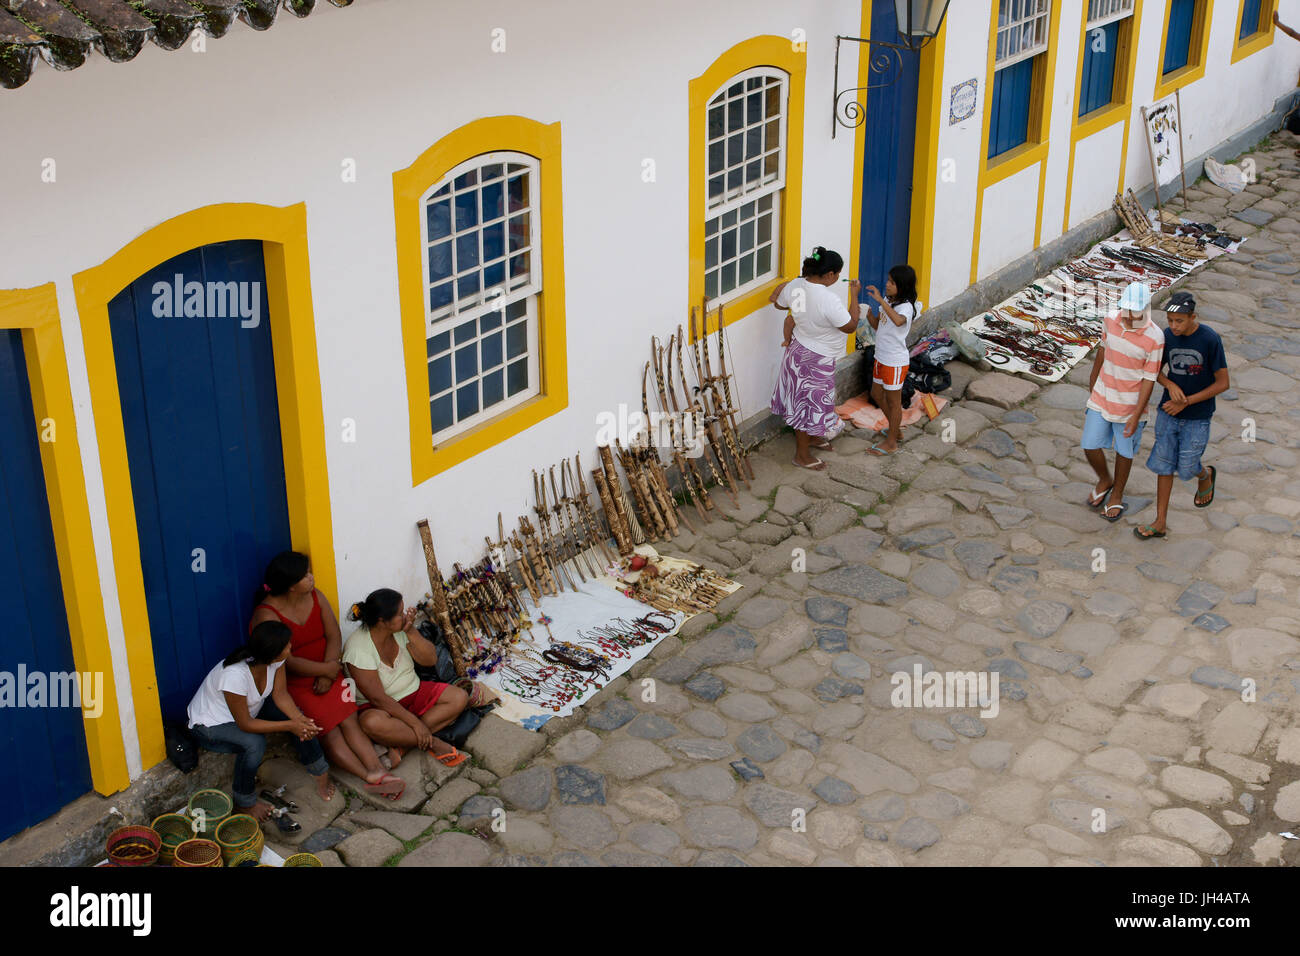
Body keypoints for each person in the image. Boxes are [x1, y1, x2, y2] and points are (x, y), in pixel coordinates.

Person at [249, 551, 405, 799]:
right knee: (330, 731)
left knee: (349, 720)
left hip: (329, 670)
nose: (311, 578)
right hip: (296, 683)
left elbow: (333, 635)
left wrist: (330, 669)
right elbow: (284, 660)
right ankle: (369, 777)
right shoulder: (266, 615)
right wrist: (324, 671)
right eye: (305, 575)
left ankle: (376, 768)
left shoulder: (316, 596)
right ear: (290, 587)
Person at [187, 621, 332, 821]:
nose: (291, 647)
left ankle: (319, 771)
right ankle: (244, 802)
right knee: (254, 743)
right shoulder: (234, 676)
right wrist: (291, 725)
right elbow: (245, 724)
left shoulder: (275, 661)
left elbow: (280, 695)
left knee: (296, 715)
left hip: (248, 712)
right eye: (287, 645)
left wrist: (300, 721)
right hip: (209, 726)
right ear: (273, 652)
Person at [1134, 293, 1229, 539]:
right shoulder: (1167, 337)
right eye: (1170, 320)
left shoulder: (1210, 340)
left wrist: (1186, 402)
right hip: (1168, 412)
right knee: (1165, 464)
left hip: (1198, 415)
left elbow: (1223, 383)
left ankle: (1205, 474)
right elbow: (1153, 370)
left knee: (1186, 467)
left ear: (1192, 318)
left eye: (1179, 321)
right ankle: (1160, 521)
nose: (1173, 326)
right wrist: (1169, 385)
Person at [343, 589, 471, 768]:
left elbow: (430, 660)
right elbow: (377, 698)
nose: (404, 616)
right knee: (371, 723)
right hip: (382, 708)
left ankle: (403, 744)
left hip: (414, 692)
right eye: (399, 614)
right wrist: (415, 724)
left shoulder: (399, 630)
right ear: (382, 621)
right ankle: (431, 742)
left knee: (459, 698)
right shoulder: (358, 650)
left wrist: (411, 630)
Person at [768, 246, 860, 471]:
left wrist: (795, 283)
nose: (838, 278)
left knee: (808, 402)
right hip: (816, 359)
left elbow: (778, 303)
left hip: (798, 351)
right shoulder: (828, 299)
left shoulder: (797, 286)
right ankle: (801, 455)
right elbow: (850, 326)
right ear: (829, 274)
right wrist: (854, 296)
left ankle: (814, 438)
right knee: (808, 407)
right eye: (837, 274)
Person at [1082, 281, 1164, 522]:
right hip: (1102, 394)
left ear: (1145, 309)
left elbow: (1149, 379)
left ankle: (1117, 493)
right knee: (1089, 444)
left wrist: (1137, 413)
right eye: (1127, 311)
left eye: (1135, 312)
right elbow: (1102, 351)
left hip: (1130, 404)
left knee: (1124, 451)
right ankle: (1105, 479)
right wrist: (1092, 382)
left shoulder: (1155, 337)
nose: (1129, 317)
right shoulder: (1110, 320)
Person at [863, 265, 923, 456]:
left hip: (894, 361)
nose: (887, 285)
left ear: (902, 285)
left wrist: (881, 300)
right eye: (888, 281)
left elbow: (898, 321)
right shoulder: (889, 303)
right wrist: (869, 314)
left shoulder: (906, 307)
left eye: (892, 282)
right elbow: (878, 326)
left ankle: (891, 442)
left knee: (894, 401)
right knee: (876, 393)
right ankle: (895, 430)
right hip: (881, 357)